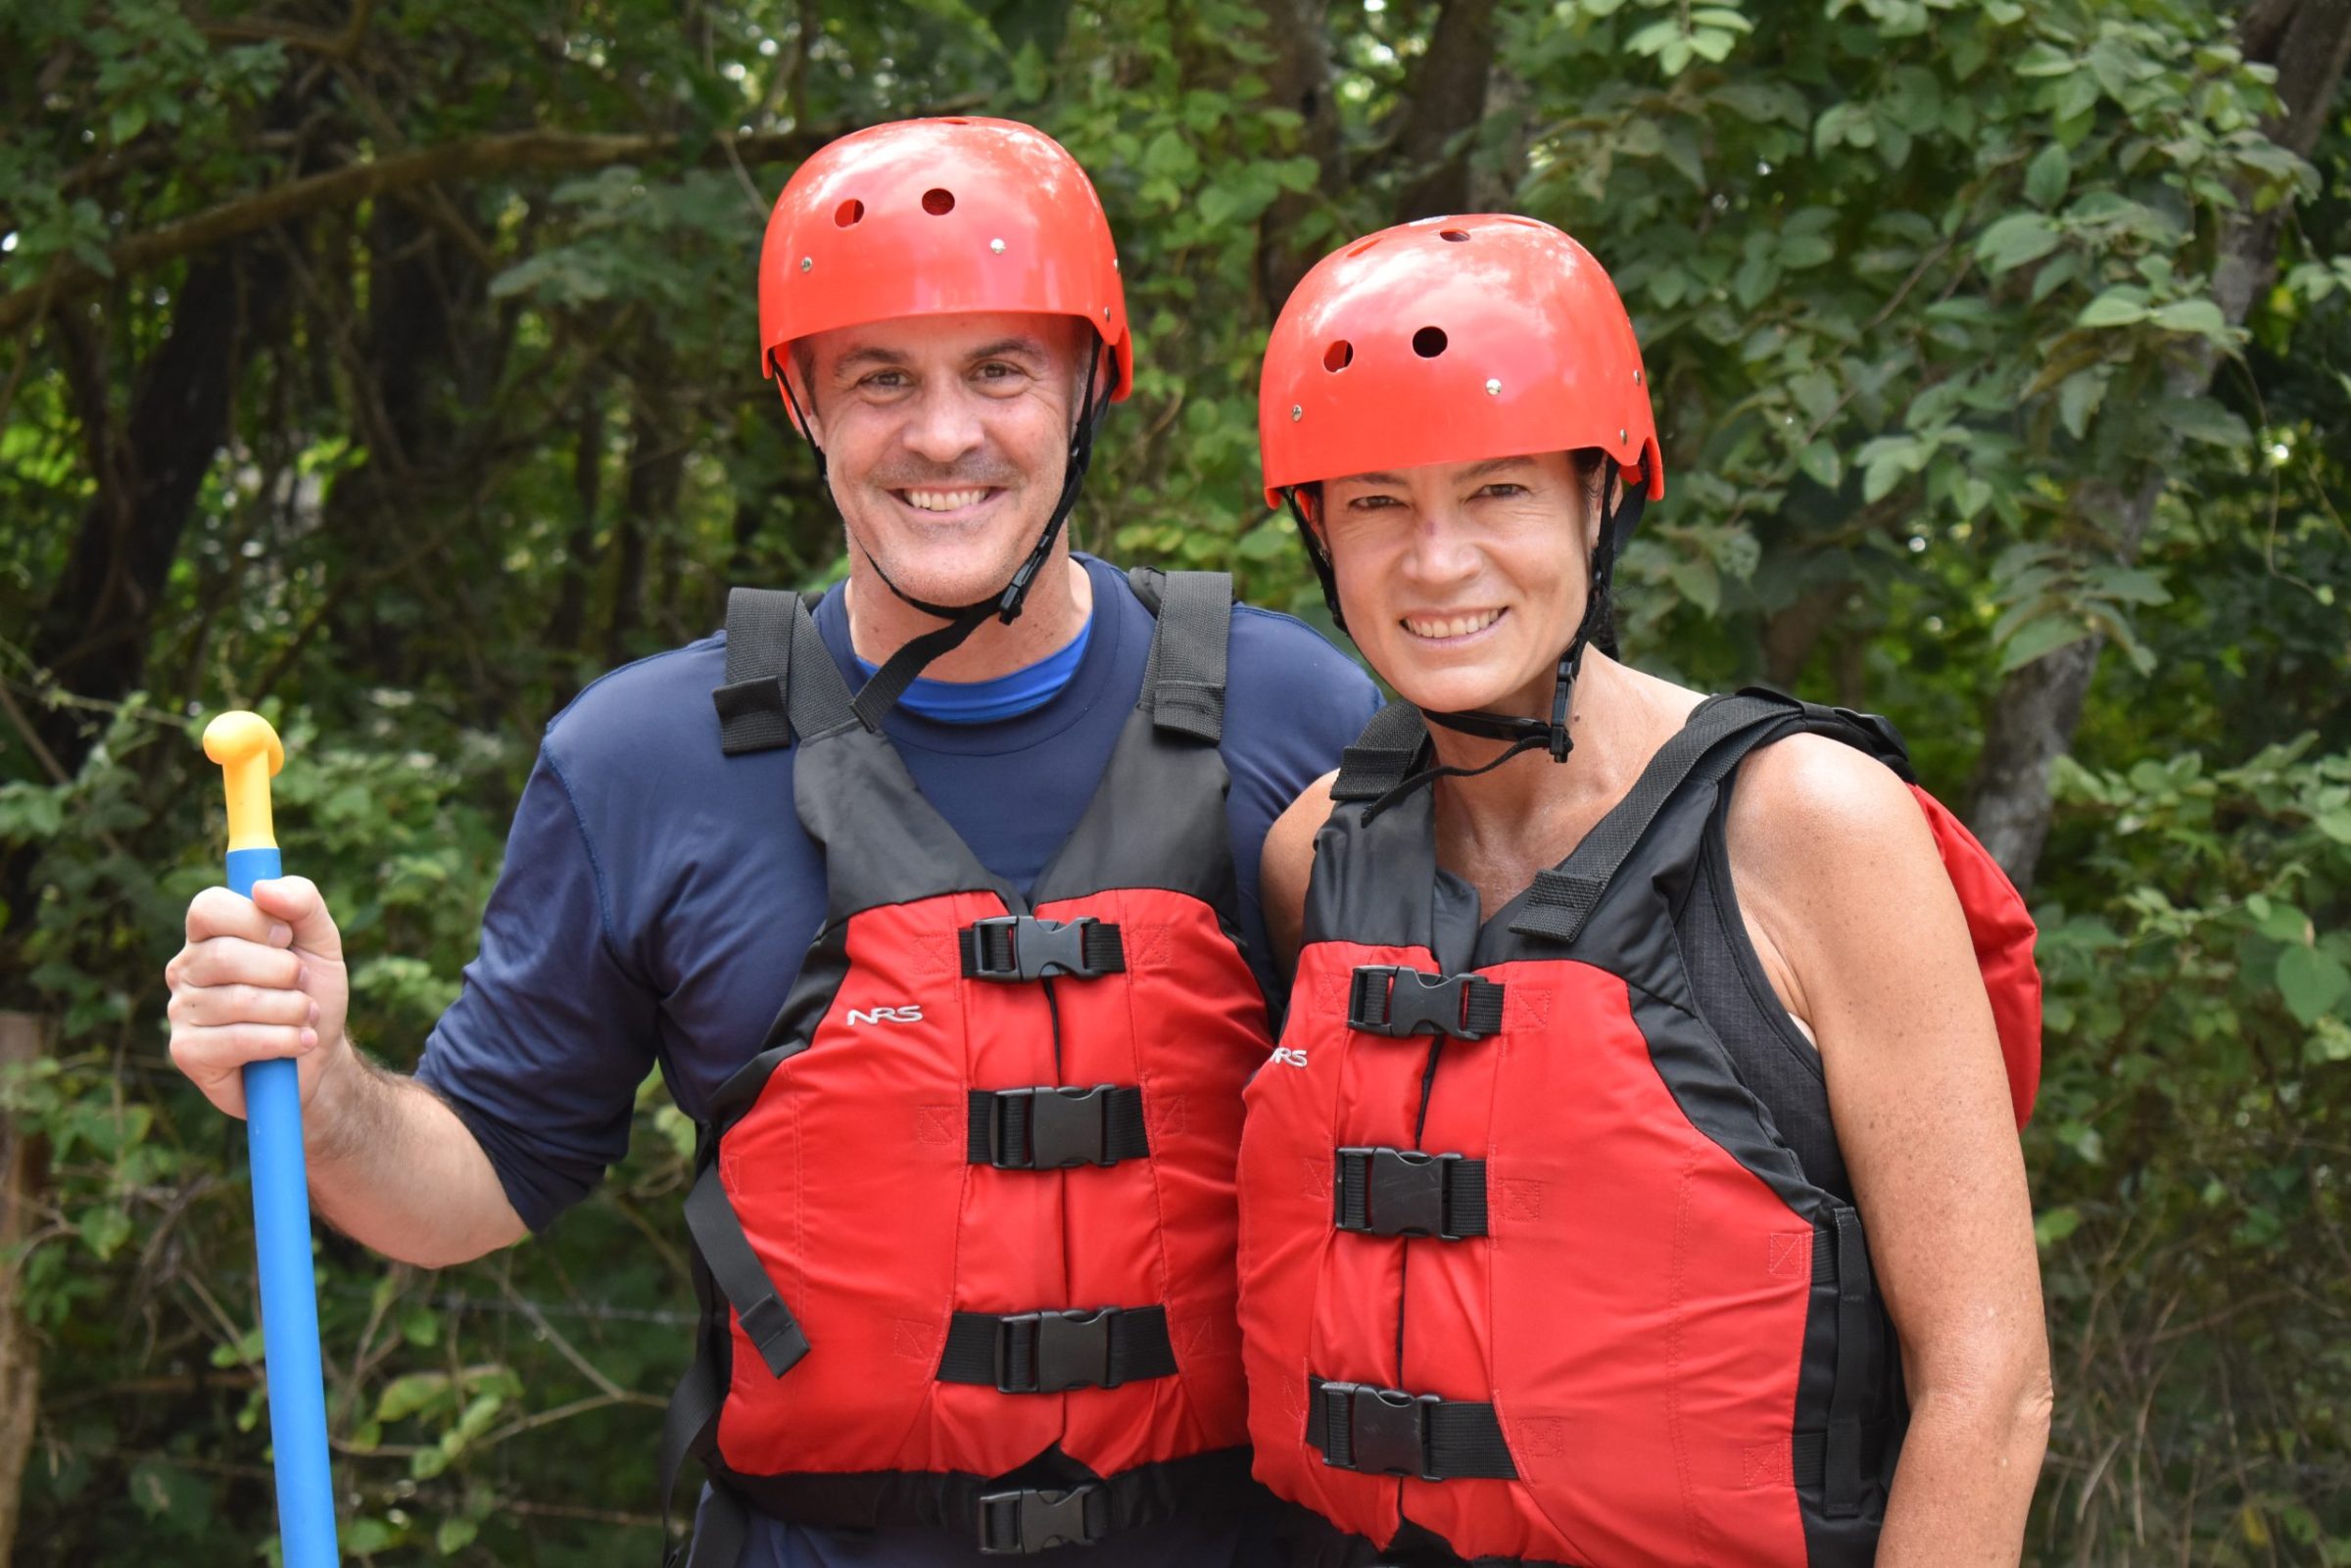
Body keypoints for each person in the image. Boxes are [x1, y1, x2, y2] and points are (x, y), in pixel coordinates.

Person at [163, 118, 1379, 1566]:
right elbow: (468, 1183)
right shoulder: (640, 761)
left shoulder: (1303, 712)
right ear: (802, 402)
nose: (942, 435)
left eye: (998, 369)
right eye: (880, 379)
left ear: (1086, 387)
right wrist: (313, 1076)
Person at [1233, 214, 2050, 1567]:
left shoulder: (1809, 824)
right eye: (1379, 501)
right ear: (1318, 528)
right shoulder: (1315, 853)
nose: (1437, 562)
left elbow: (1991, 1382)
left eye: (1498, 491)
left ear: (1598, 498)